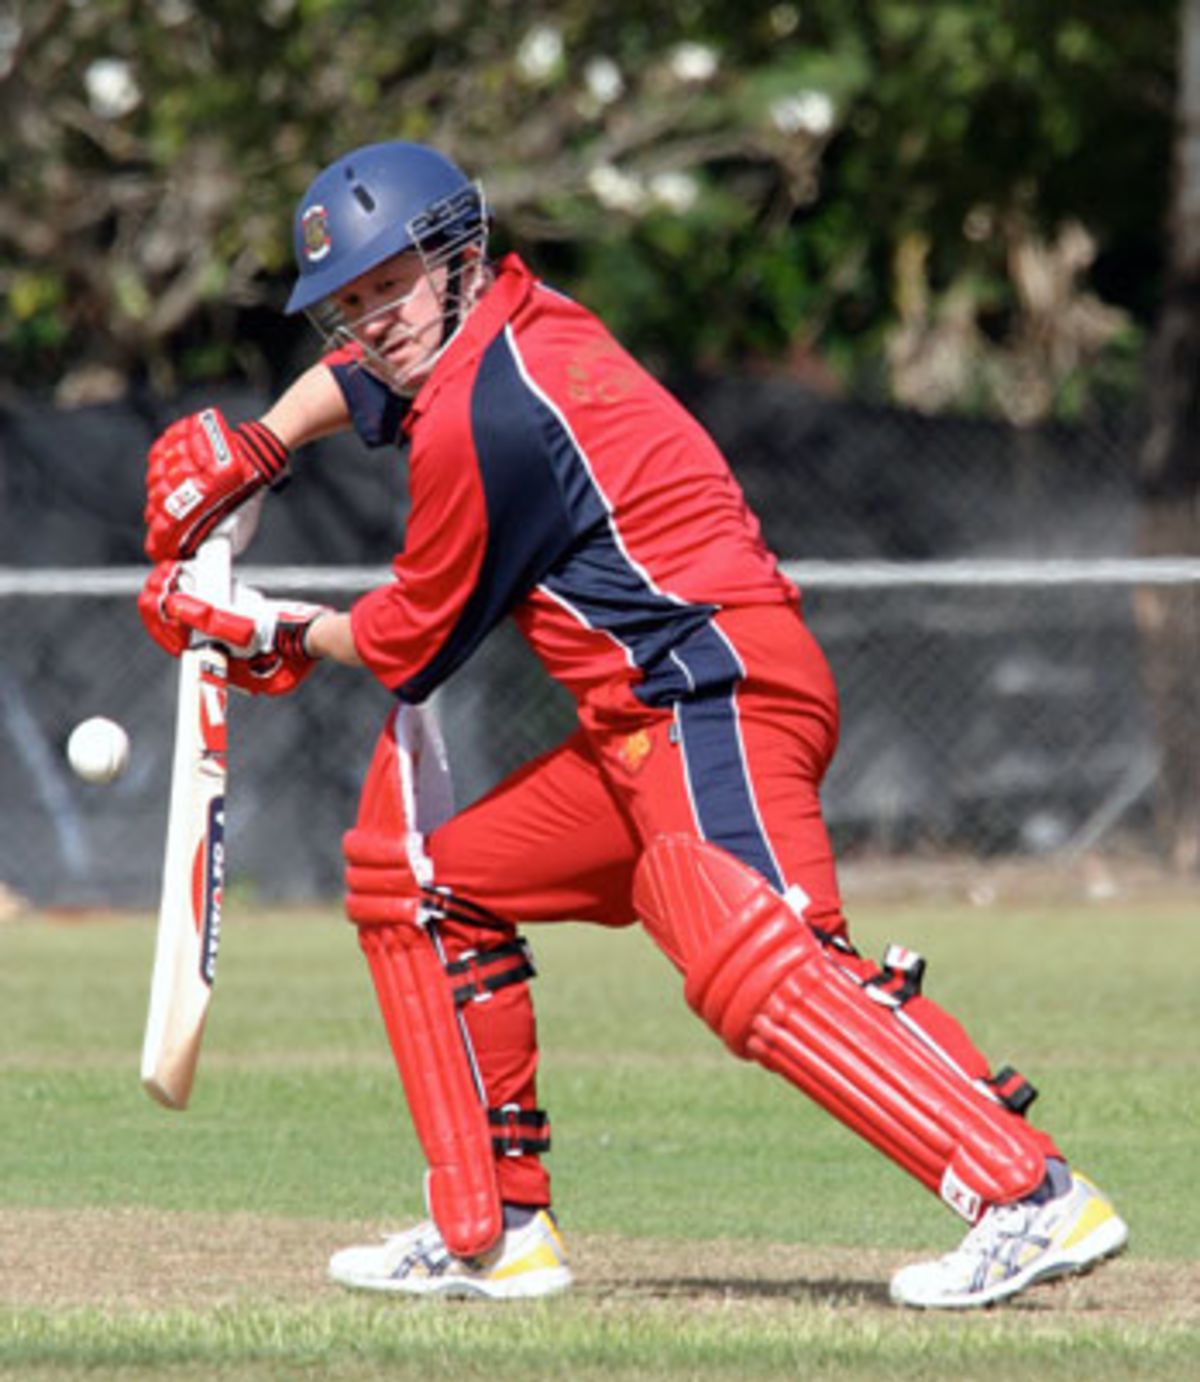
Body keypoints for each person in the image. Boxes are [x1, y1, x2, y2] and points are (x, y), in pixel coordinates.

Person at [138, 140, 1128, 1308]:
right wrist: (260, 445)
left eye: (390, 284)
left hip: (714, 687)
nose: (372, 322)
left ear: (461, 259)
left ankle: (1027, 1195)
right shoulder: (516, 326)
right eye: (346, 304)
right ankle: (493, 1228)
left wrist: (260, 625)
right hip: (636, 728)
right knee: (421, 877)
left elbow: (409, 642)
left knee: (752, 948)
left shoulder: (490, 415)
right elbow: (369, 383)